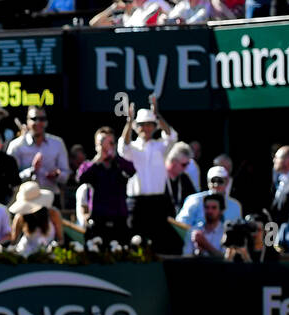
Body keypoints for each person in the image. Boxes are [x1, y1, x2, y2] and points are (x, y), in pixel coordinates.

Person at [118, 96, 177, 249]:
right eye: (142, 125)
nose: (146, 128)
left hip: (157, 202)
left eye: (150, 125)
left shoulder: (160, 147)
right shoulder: (133, 148)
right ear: (136, 127)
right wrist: (129, 122)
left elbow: (171, 137)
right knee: (135, 239)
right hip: (136, 203)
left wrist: (157, 114)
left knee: (158, 240)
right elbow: (123, 147)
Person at [75, 126, 135, 246]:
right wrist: (99, 158)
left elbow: (132, 170)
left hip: (119, 219)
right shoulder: (90, 166)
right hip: (98, 220)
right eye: (102, 143)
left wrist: (115, 157)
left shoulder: (119, 165)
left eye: (111, 143)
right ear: (96, 145)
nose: (107, 147)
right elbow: (80, 178)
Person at [8, 181, 63, 255]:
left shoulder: (53, 213)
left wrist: (53, 247)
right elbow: (13, 241)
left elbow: (61, 239)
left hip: (49, 256)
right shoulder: (20, 216)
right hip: (25, 255)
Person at [187, 194, 226, 258]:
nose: (209, 211)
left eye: (214, 208)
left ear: (221, 211)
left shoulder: (225, 232)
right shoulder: (194, 230)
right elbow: (186, 257)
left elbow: (227, 260)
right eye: (207, 207)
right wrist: (198, 252)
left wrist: (205, 245)